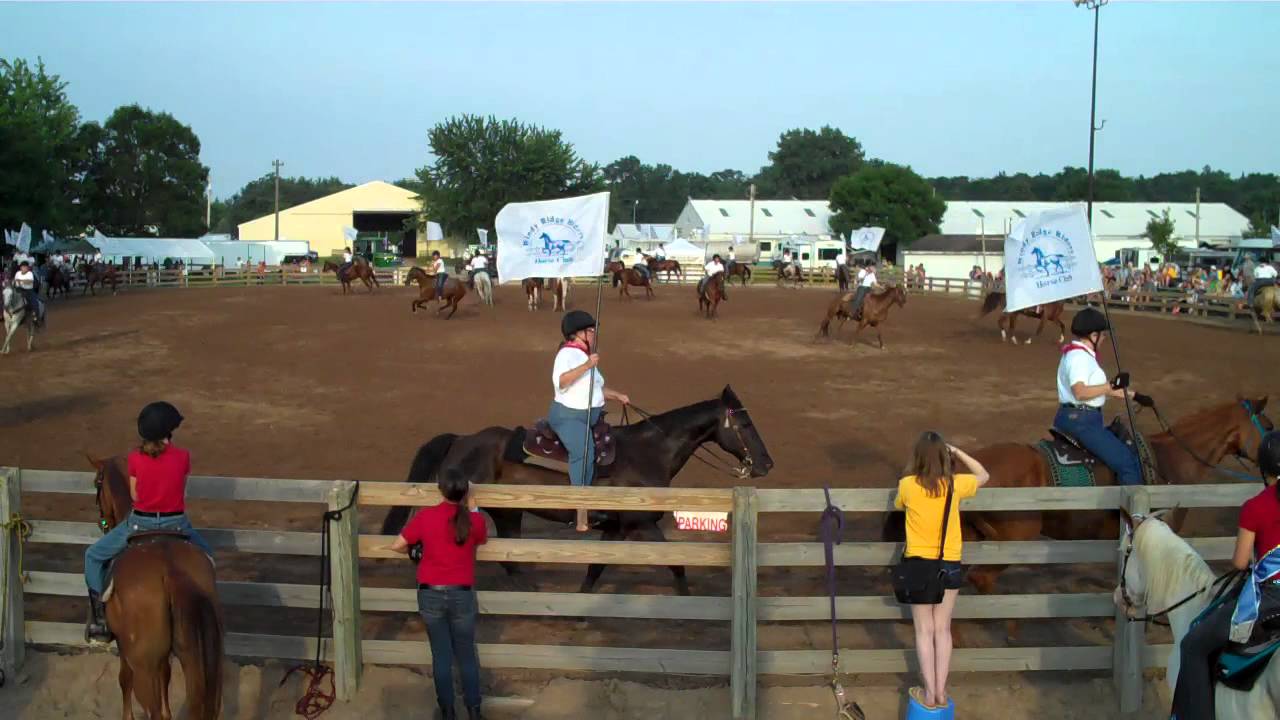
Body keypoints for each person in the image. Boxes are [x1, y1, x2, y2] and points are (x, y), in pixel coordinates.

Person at [1169, 431, 1280, 720]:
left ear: (1265, 468)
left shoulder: (1256, 506)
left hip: (1268, 603)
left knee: (1192, 646)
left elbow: (1241, 562)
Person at [83, 402, 215, 643]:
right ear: (169, 432)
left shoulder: (134, 458)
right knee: (208, 557)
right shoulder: (183, 456)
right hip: (177, 524)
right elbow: (179, 487)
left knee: (92, 556)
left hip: (139, 524)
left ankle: (100, 620)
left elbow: (135, 496)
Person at [894, 432, 990, 710]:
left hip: (918, 565)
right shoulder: (955, 484)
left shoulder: (907, 485)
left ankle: (929, 691)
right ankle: (942, 690)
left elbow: (898, 504)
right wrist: (959, 452)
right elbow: (984, 474)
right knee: (942, 629)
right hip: (949, 563)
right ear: (943, 457)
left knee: (924, 630)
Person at [388, 469, 489, 720]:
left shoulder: (426, 517)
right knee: (466, 654)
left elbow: (397, 545)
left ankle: (447, 711)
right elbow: (481, 537)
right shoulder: (473, 522)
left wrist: (417, 553)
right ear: (465, 492)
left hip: (431, 593)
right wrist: (474, 505)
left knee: (441, 654)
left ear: (440, 489)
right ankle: (474, 710)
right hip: (462, 595)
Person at [548, 311, 630, 532]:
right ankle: (581, 510)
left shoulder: (584, 355)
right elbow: (562, 382)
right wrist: (587, 366)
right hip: (569, 417)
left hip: (590, 415)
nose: (594, 335)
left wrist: (617, 395)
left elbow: (595, 387)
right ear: (578, 334)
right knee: (584, 452)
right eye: (591, 331)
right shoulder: (566, 355)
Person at [1054, 307, 1143, 486]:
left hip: (1076, 417)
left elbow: (1096, 390)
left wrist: (1134, 396)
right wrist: (1109, 385)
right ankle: (1136, 513)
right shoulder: (1079, 358)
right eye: (1102, 336)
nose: (1104, 339)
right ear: (1093, 336)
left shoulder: (1077, 354)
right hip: (1083, 422)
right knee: (1126, 463)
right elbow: (1080, 392)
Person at [12, 260, 44, 324]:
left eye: (25, 267)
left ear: (27, 268)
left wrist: (20, 280)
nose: (23, 268)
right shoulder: (17, 273)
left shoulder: (30, 273)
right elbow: (14, 281)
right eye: (22, 267)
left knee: (35, 303)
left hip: (29, 291)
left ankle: (36, 317)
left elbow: (30, 282)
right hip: (18, 290)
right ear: (20, 267)